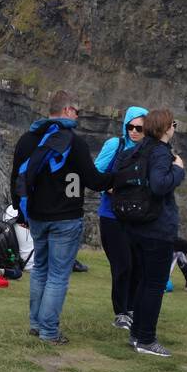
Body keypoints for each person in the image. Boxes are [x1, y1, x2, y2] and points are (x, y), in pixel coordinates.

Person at [11, 90, 113, 344]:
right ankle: (48, 331)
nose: (78, 117)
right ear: (67, 110)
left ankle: (36, 324)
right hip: (66, 218)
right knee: (58, 275)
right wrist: (118, 177)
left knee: (40, 271)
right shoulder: (74, 142)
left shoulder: (27, 139)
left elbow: (15, 178)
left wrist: (20, 212)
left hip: (36, 216)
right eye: (77, 111)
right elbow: (93, 180)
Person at [114, 108, 186, 357]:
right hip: (157, 229)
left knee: (144, 282)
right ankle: (146, 339)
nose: (174, 127)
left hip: (136, 226)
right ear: (166, 128)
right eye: (173, 123)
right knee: (154, 285)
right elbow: (159, 185)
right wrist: (178, 169)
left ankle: (137, 335)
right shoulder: (160, 153)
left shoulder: (139, 148)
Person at [94, 106, 149, 329]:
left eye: (140, 128)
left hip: (137, 217)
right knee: (123, 264)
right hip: (112, 216)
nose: (134, 132)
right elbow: (96, 174)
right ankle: (121, 312)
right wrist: (112, 189)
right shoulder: (114, 146)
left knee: (138, 264)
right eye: (131, 127)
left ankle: (133, 308)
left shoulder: (149, 150)